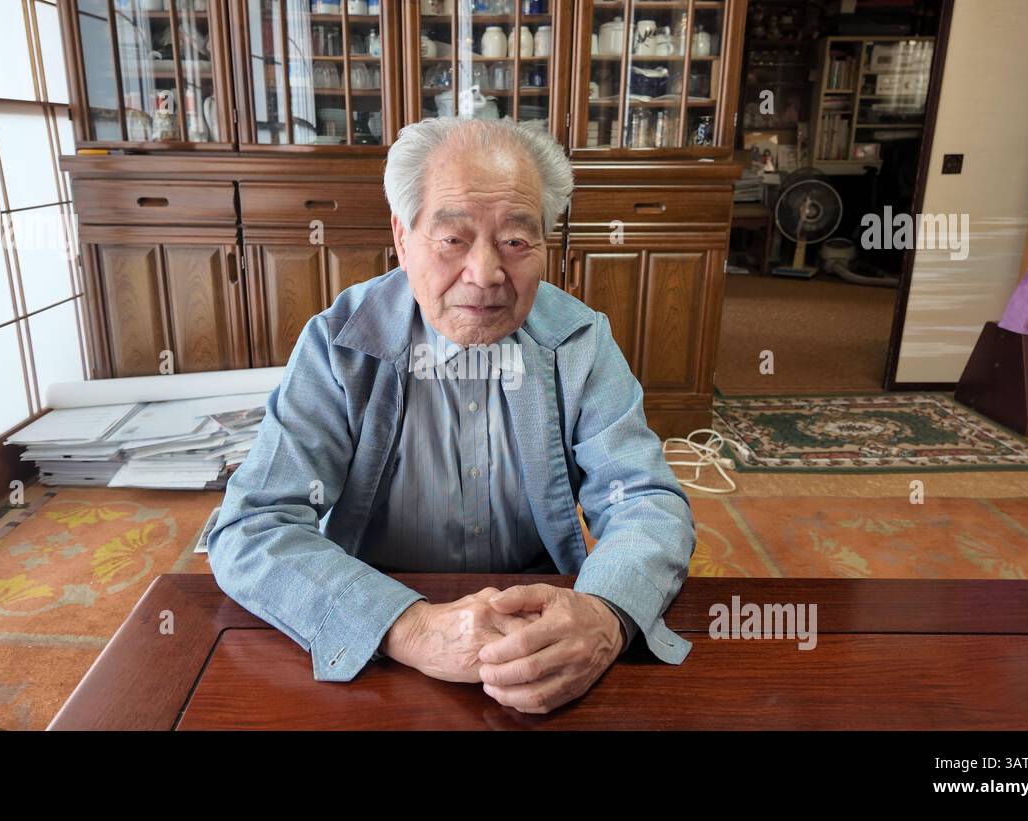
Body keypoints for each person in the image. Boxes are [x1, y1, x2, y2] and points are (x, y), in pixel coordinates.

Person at [208, 116, 695, 715]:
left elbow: (645, 500)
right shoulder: (338, 345)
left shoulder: (581, 341)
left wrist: (603, 613)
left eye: (516, 240)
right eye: (453, 239)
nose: (486, 274)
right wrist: (410, 628)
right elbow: (251, 526)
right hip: (370, 624)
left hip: (537, 627)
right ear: (402, 236)